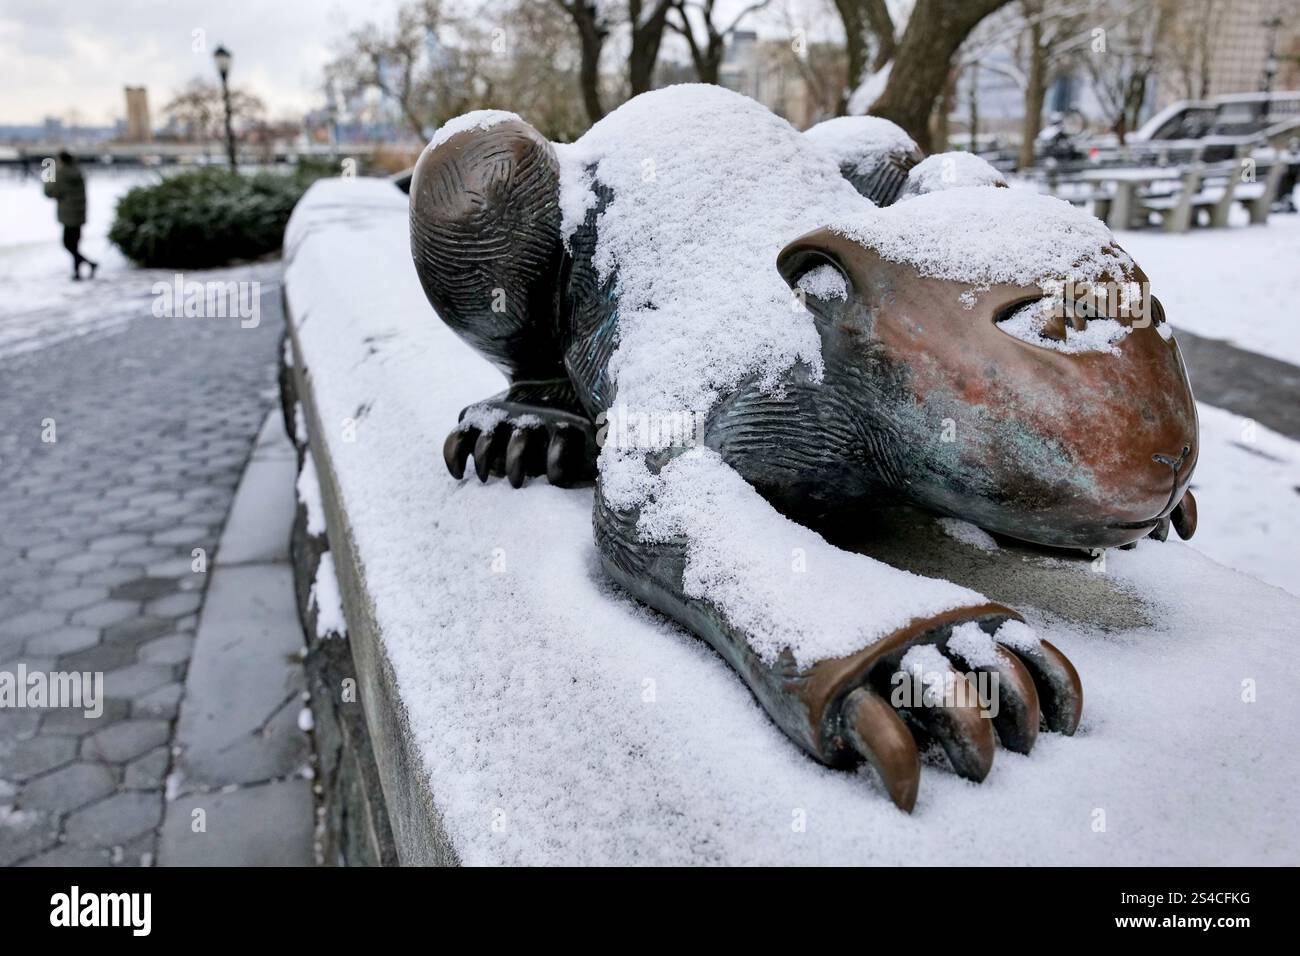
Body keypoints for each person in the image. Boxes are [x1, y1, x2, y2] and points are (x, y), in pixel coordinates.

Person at [44, 150, 98, 280]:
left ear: (61, 160)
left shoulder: (62, 174)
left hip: (68, 215)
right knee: (74, 244)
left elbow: (49, 192)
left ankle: (89, 264)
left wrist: (49, 176)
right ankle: (77, 272)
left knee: (68, 244)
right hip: (79, 213)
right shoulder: (78, 171)